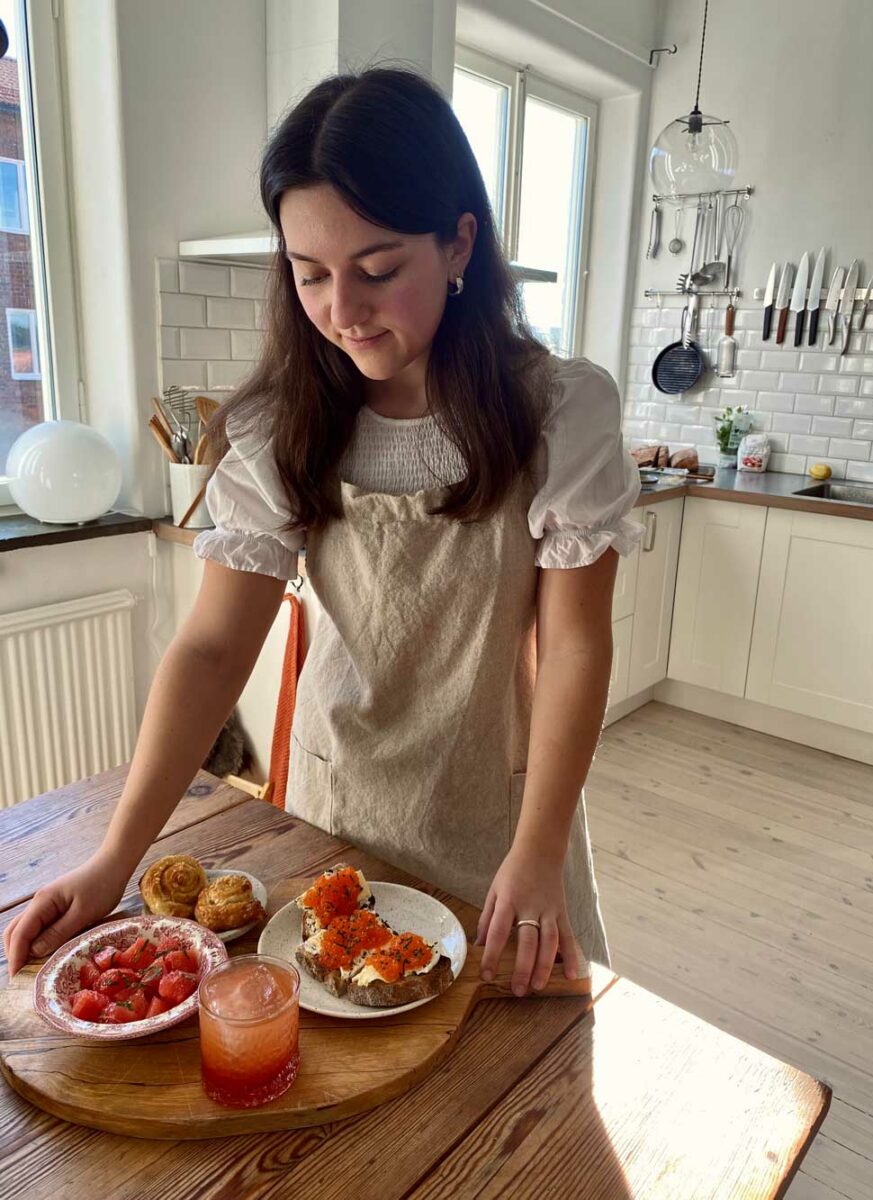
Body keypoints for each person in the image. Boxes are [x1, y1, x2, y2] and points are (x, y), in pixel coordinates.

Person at [4, 64, 641, 997]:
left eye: (378, 271)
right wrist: (115, 860)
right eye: (310, 275)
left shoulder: (560, 409)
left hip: (502, 815)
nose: (343, 311)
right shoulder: (281, 425)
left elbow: (578, 644)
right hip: (337, 801)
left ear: (459, 243)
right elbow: (214, 649)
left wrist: (541, 849)